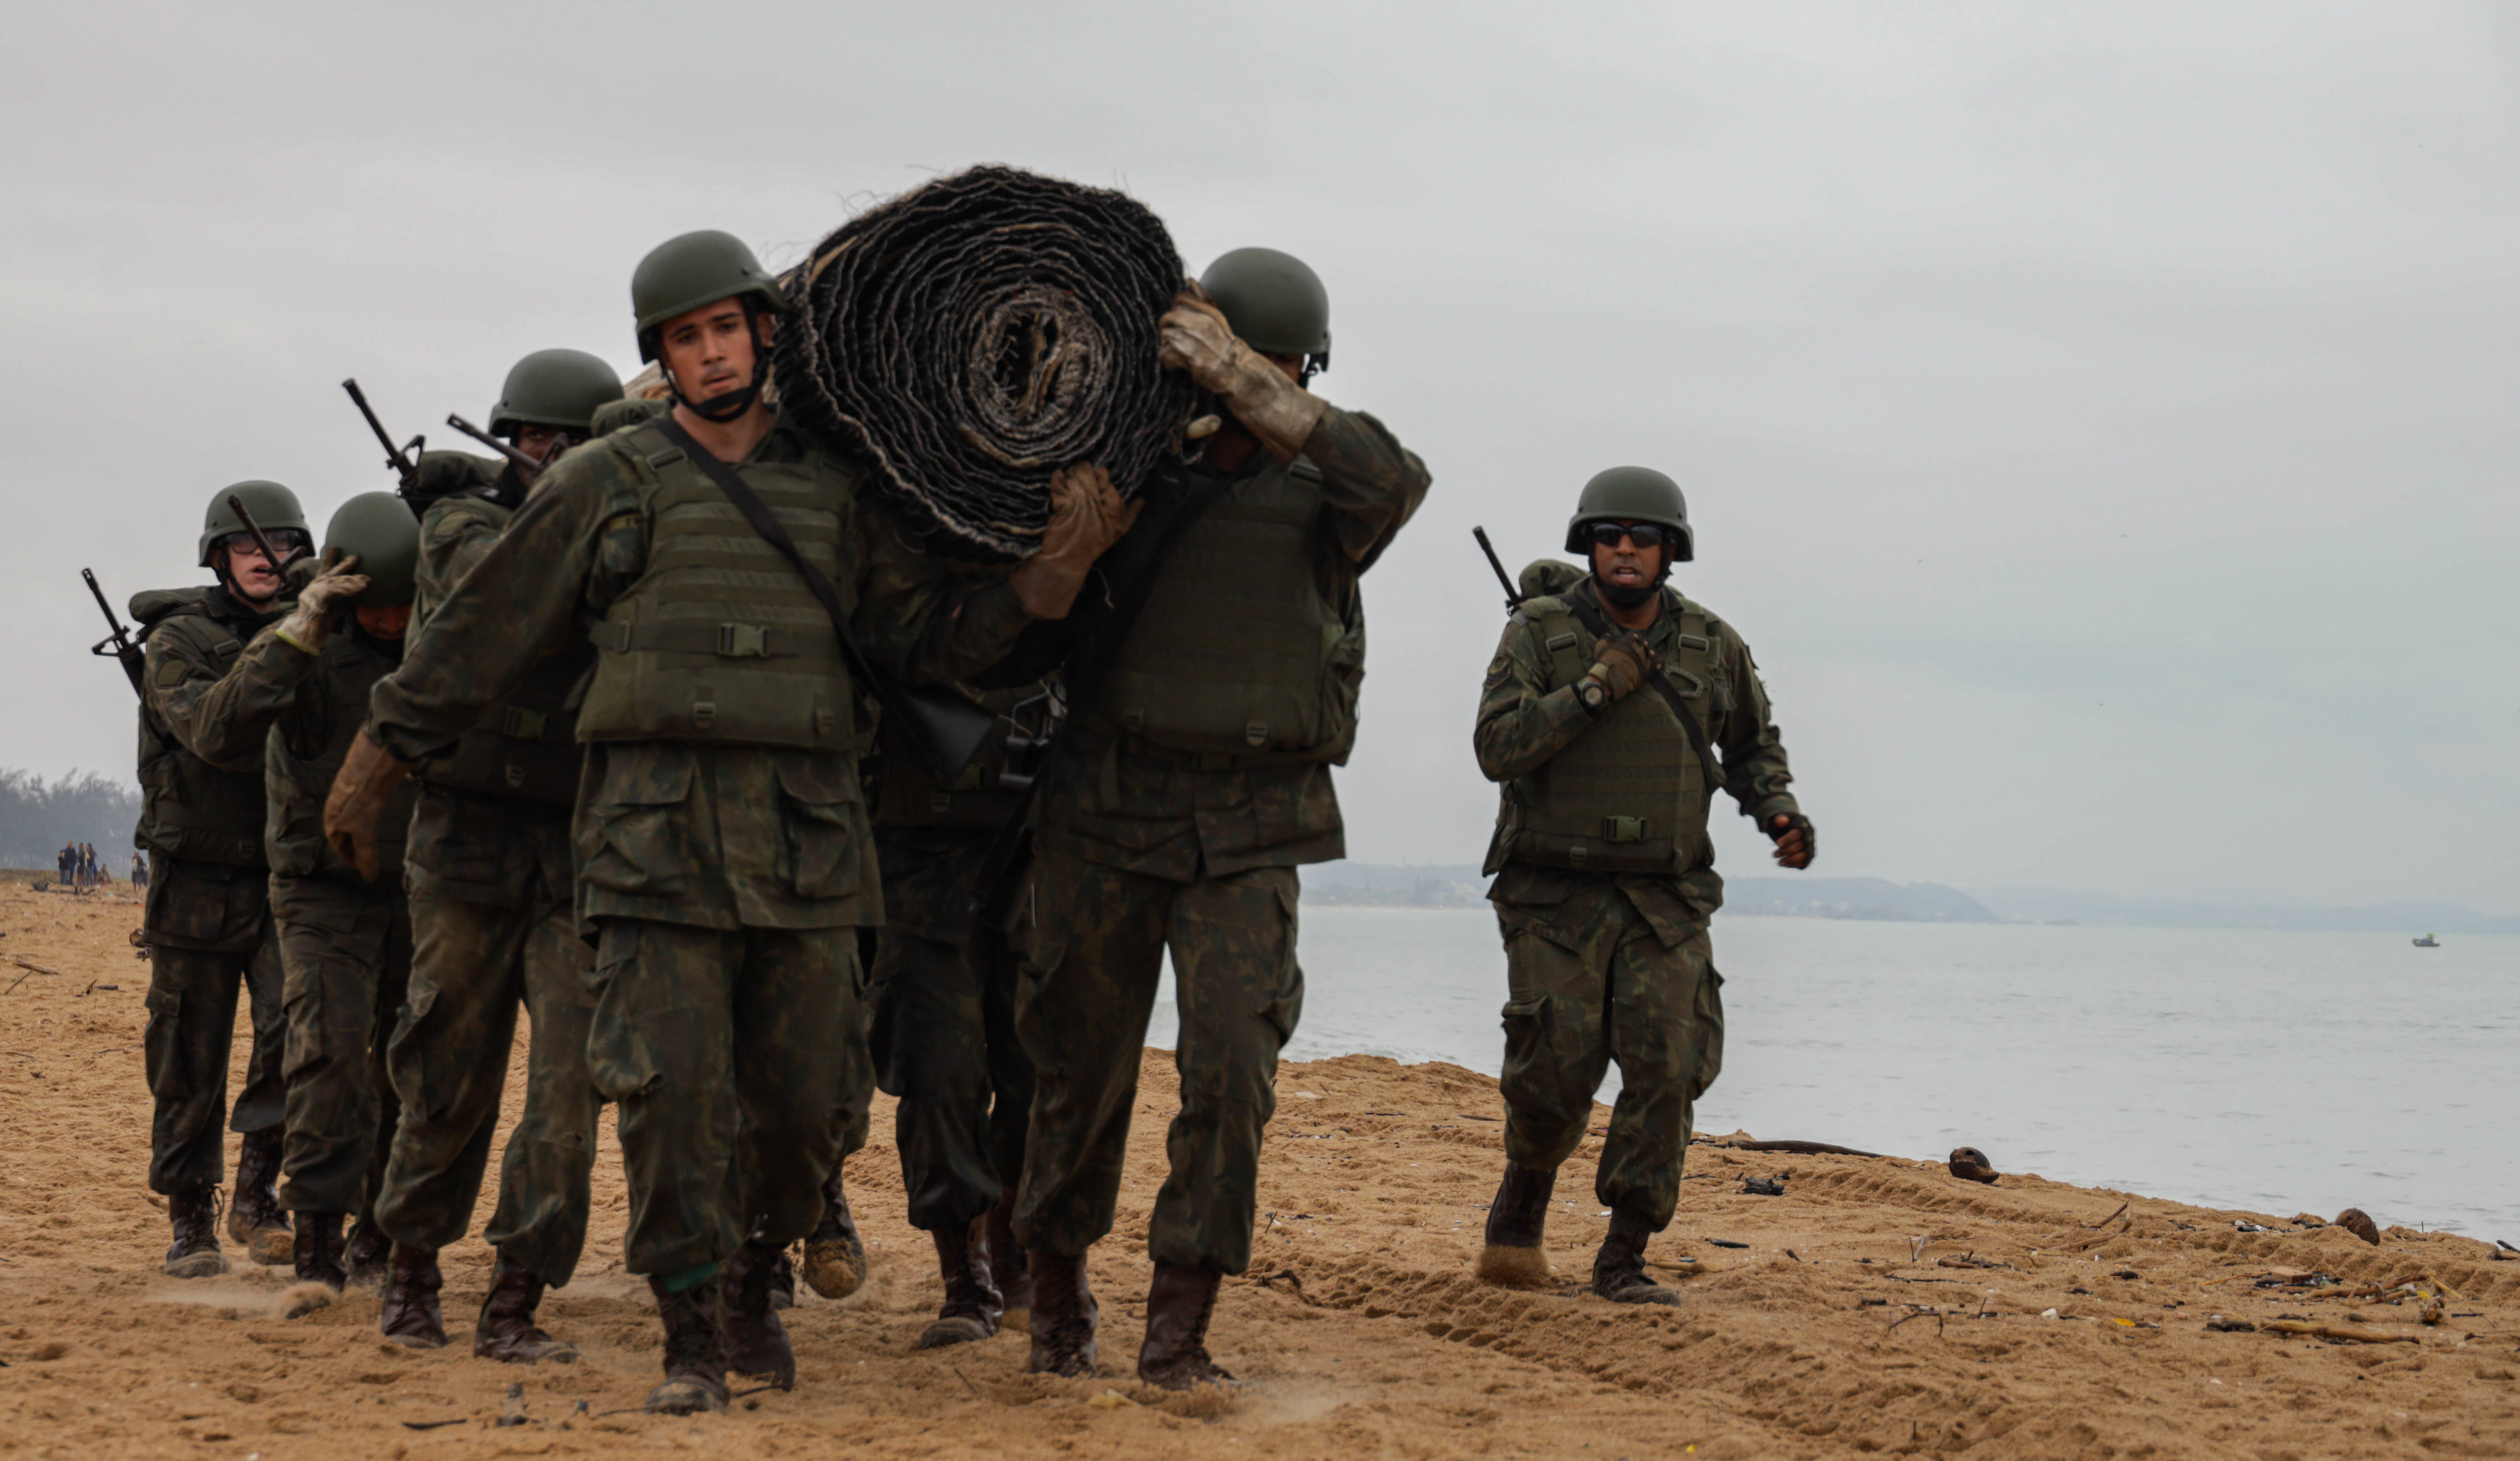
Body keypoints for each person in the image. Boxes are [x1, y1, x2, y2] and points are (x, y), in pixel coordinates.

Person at [325, 228, 1135, 1414]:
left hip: (809, 841)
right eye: (683, 338)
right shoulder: (606, 481)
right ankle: (692, 1328)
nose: (710, 355)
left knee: (814, 1102)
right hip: (651, 842)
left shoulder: (840, 491)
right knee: (668, 1093)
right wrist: (375, 759)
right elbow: (480, 633)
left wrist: (1053, 574)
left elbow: (929, 643)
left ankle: (762, 1262)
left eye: (726, 329)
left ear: (764, 333)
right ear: (661, 355)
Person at [984, 247, 1429, 1387]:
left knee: (1234, 1073)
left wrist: (1257, 386)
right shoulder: (1129, 472)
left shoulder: (1333, 493)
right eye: (1228, 361)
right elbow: (1007, 642)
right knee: (1076, 1071)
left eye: (1271, 366)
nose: (1241, 384)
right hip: (1105, 806)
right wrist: (1065, 553)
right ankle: (1054, 1294)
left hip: (1257, 818)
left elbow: (1398, 479)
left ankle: (1179, 1323)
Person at [1469, 466, 1813, 1306]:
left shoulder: (1709, 643)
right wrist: (1592, 690)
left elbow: (1752, 744)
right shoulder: (1540, 635)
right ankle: (1522, 1200)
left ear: (1671, 551)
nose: (1625, 548)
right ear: (1587, 543)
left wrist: (1777, 810)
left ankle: (1623, 1255)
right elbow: (1497, 749)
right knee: (1553, 1073)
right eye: (1610, 534)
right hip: (1555, 896)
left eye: (1643, 536)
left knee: (1669, 1068)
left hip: (1666, 901)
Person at [369, 349, 624, 1357]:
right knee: (443, 1074)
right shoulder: (462, 527)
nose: (544, 455)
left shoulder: (622, 533)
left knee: (568, 1098)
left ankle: (516, 1298)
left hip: (577, 846)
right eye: (528, 441)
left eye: (567, 444)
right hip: (467, 841)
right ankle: (411, 1271)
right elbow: (503, 589)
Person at [217, 492, 426, 1292]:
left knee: (411, 1070)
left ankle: (381, 1235)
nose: (388, 620)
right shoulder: (302, 648)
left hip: (421, 887)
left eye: (403, 604)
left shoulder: (439, 643)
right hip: (321, 893)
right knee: (327, 1060)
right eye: (374, 605)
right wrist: (298, 629)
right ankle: (316, 1244)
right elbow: (220, 729)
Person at [826, 680, 1057, 1348]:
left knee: (1032, 1078)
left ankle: (1014, 1257)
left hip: (1036, 850)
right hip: (917, 858)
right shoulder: (907, 578)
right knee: (938, 1075)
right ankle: (967, 1279)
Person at [128, 482, 314, 1274]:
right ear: (218, 556)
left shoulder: (318, 637)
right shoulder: (179, 640)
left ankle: (255, 1194)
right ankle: (189, 1215)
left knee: (292, 1035)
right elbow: (215, 734)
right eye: (248, 546)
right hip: (198, 873)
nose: (268, 560)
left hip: (288, 873)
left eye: (283, 545)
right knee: (187, 1054)